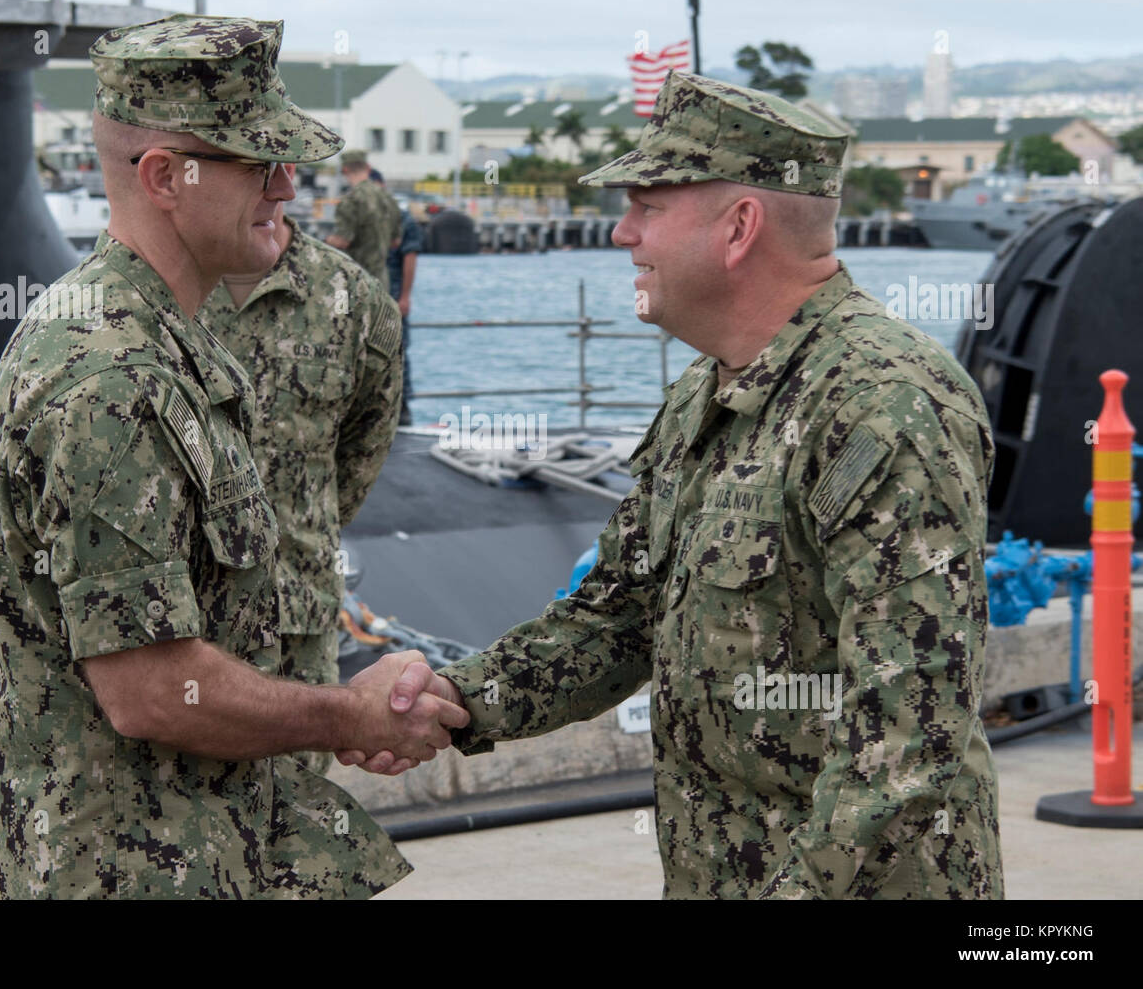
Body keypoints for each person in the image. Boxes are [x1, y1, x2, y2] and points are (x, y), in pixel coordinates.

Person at [341, 72, 1004, 900]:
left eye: (647, 205)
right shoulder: (707, 393)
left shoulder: (884, 407)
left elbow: (911, 735)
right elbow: (620, 614)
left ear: (739, 227)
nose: (622, 233)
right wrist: (454, 697)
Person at [0, 14, 466, 900]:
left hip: (204, 843)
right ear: (166, 176)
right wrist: (349, 711)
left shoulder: (169, 342)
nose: (286, 186)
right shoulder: (108, 379)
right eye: (258, 163)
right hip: (125, 866)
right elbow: (153, 690)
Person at [198, 174, 403, 774]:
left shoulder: (354, 301)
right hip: (173, 621)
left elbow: (364, 447)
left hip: (294, 613)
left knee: (294, 818)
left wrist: (299, 530)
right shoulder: (151, 294)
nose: (267, 187)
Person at [374, 167, 424, 426]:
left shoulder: (401, 219)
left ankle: (401, 408)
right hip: (375, 295)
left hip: (389, 294)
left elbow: (410, 257)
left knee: (398, 351)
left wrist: (405, 296)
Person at [325, 149, 400, 289]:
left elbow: (342, 241)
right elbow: (395, 242)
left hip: (355, 281)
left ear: (345, 169)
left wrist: (324, 241)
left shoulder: (351, 200)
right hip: (381, 281)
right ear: (368, 168)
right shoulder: (388, 199)